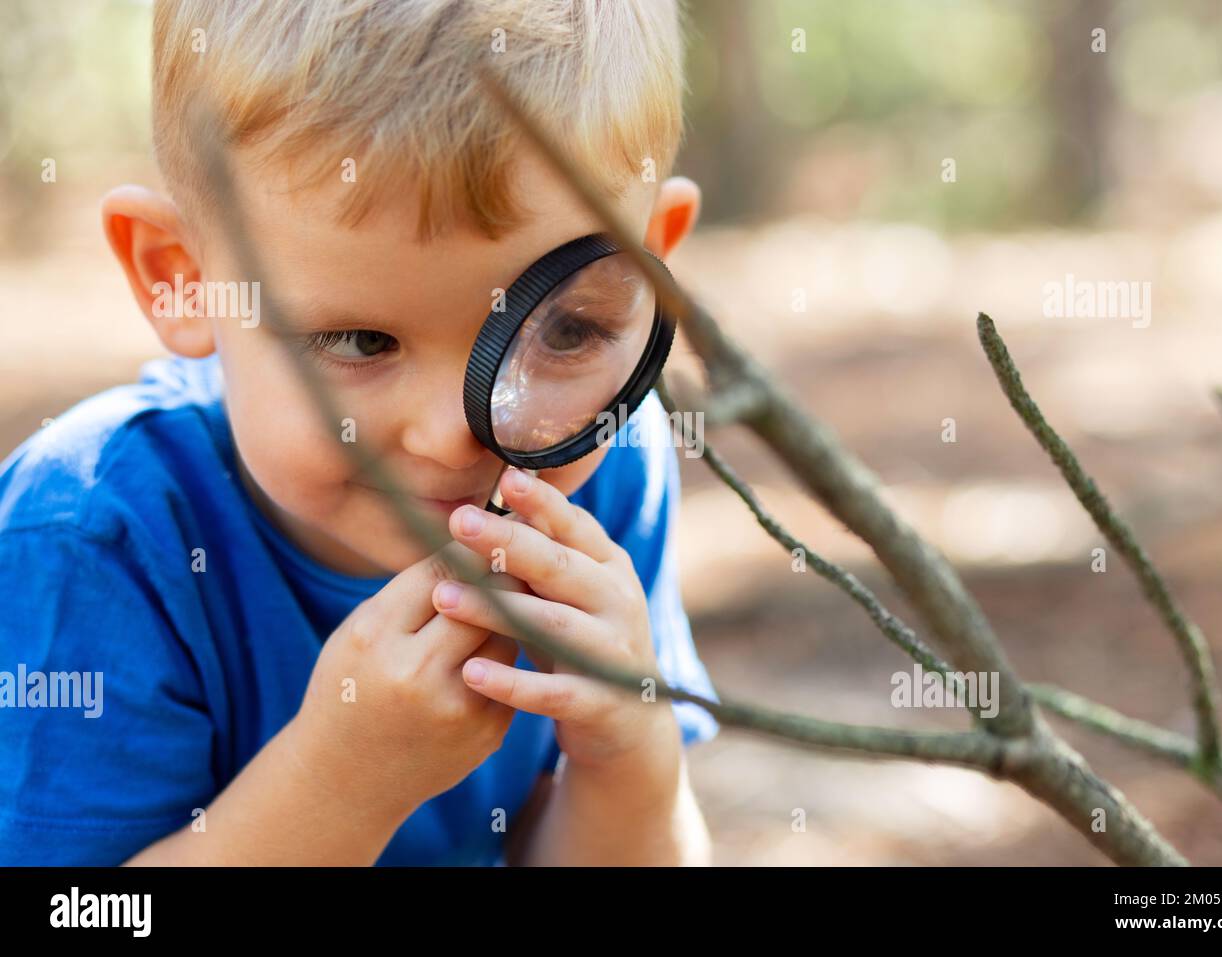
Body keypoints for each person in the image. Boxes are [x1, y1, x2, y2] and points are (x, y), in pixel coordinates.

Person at [0, 0, 719, 866]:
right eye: (358, 341)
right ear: (183, 277)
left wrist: (626, 758)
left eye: (563, 333)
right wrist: (343, 783)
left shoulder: (602, 463)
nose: (454, 435)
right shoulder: (95, 537)